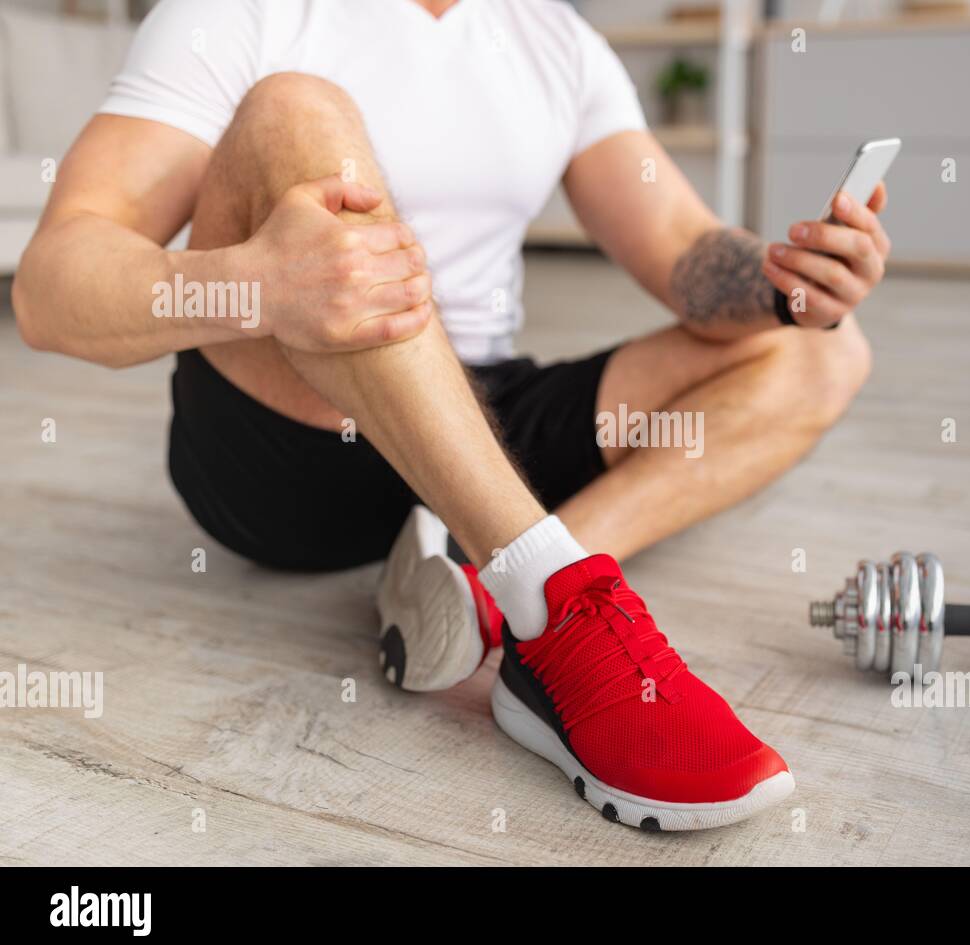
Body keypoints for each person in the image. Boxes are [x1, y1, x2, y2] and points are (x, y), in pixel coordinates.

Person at [13, 0, 888, 831]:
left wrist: (786, 284)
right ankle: (559, 608)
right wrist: (263, 286)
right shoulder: (240, 12)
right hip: (289, 444)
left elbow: (681, 249)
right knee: (296, 107)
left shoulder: (556, 39)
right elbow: (52, 286)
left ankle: (503, 594)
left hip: (483, 426)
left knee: (825, 349)